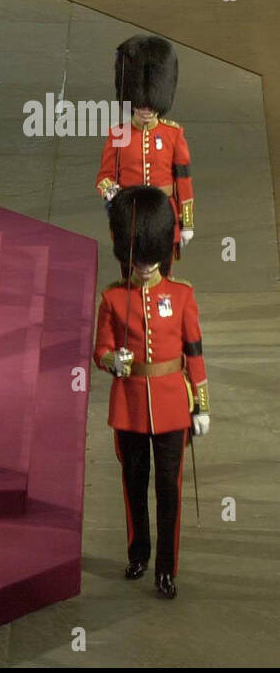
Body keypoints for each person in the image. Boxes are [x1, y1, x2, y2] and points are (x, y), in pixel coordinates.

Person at [94, 185, 209, 600]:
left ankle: (166, 568)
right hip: (129, 405)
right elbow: (100, 350)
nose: (144, 266)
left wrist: (201, 405)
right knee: (133, 484)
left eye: (150, 257)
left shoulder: (182, 297)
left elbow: (193, 352)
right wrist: (113, 362)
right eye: (138, 258)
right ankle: (138, 551)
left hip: (172, 405)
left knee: (169, 490)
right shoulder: (112, 297)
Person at [95, 35, 194, 263]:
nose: (146, 110)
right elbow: (104, 177)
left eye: (151, 105)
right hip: (131, 213)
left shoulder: (174, 134)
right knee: (130, 269)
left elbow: (184, 182)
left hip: (163, 213)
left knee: (163, 271)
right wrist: (115, 196)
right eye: (141, 104)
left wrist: (187, 222)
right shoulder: (118, 133)